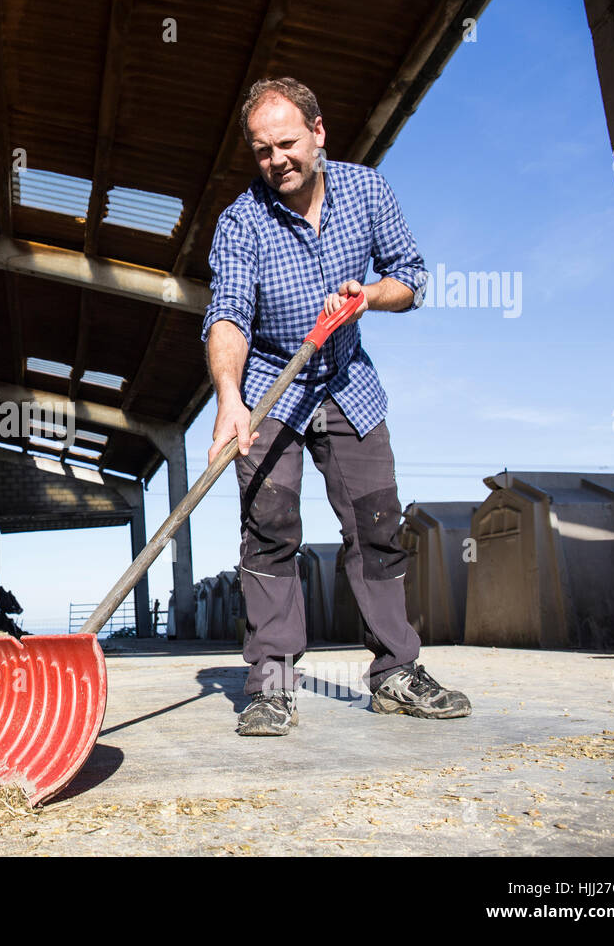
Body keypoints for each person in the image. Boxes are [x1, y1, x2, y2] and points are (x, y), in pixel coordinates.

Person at [200, 77, 471, 736]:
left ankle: (395, 672)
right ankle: (271, 682)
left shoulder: (366, 190)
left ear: (318, 133)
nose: (277, 161)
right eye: (262, 151)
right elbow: (227, 314)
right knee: (269, 532)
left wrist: (370, 298)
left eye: (287, 143)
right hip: (270, 389)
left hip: (347, 382)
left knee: (377, 524)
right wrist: (231, 400)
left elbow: (411, 277)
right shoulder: (242, 221)